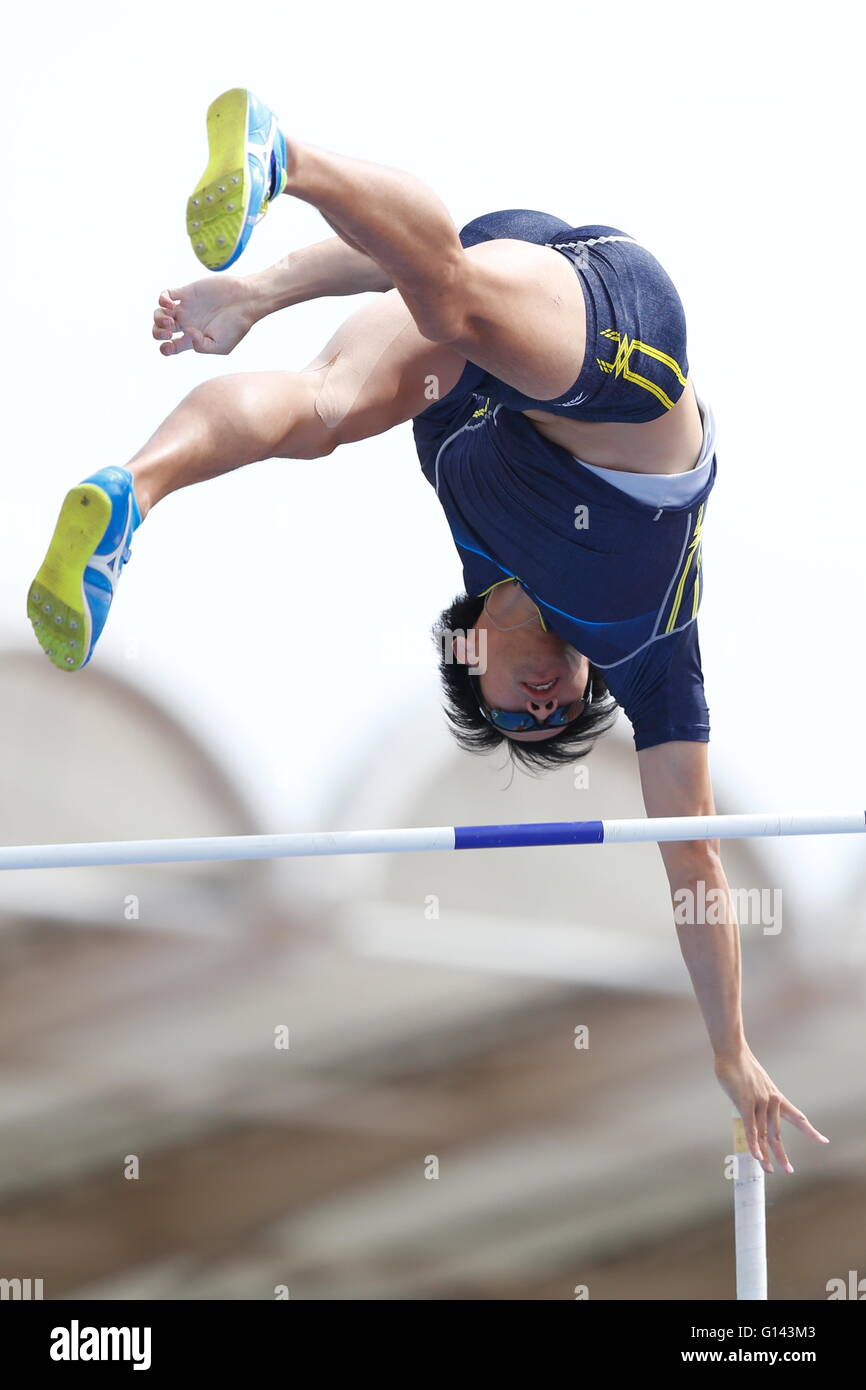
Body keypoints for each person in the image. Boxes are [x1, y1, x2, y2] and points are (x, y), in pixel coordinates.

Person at [28, 88, 827, 1173]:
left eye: (518, 714)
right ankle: (276, 173)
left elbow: (421, 263)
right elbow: (689, 860)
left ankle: (135, 489)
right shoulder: (650, 657)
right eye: (562, 713)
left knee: (323, 407)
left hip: (523, 314)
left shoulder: (471, 524)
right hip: (621, 349)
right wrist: (729, 1047)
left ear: (469, 657)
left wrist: (257, 293)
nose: (547, 709)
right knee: (446, 301)